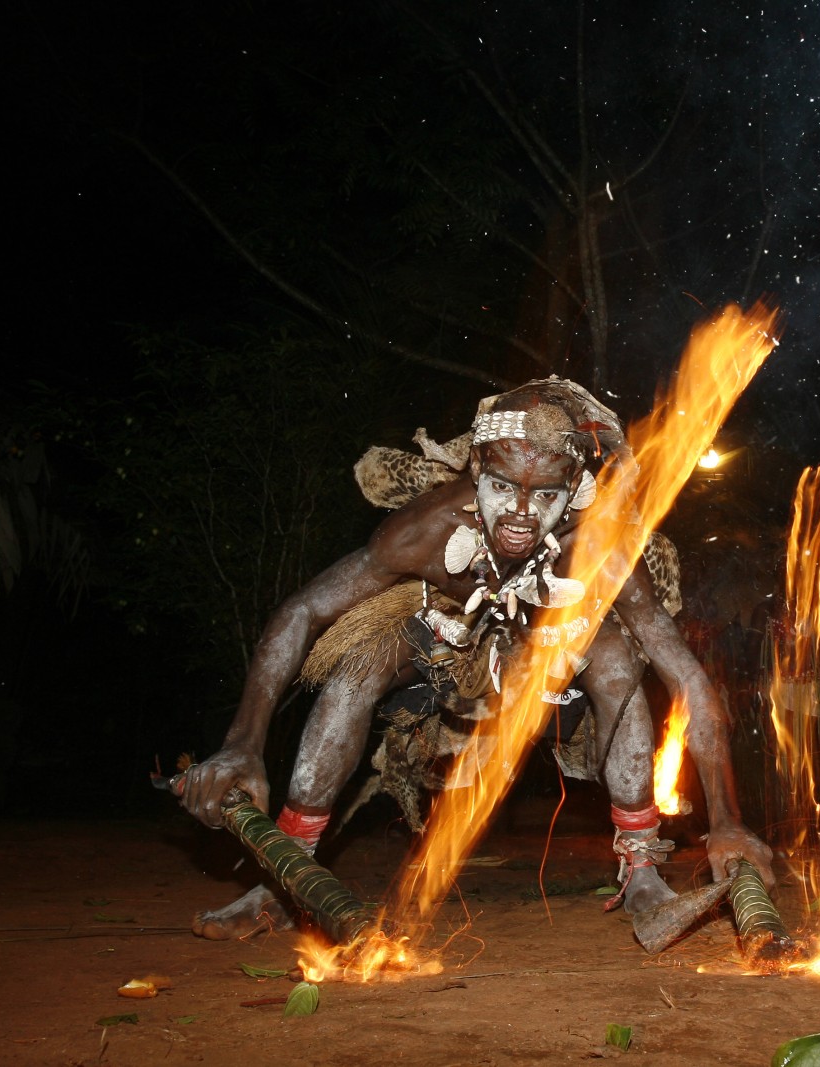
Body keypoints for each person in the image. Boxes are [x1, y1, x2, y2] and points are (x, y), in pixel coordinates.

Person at [177, 377, 774, 938]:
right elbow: (303, 611)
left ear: (573, 490)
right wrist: (243, 742)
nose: (520, 512)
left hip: (552, 645)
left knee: (617, 658)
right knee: (360, 662)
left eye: (545, 494)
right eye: (503, 487)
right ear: (479, 470)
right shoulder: (426, 531)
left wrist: (726, 818)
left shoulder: (598, 546)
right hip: (447, 632)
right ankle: (286, 871)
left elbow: (686, 677)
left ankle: (641, 870)